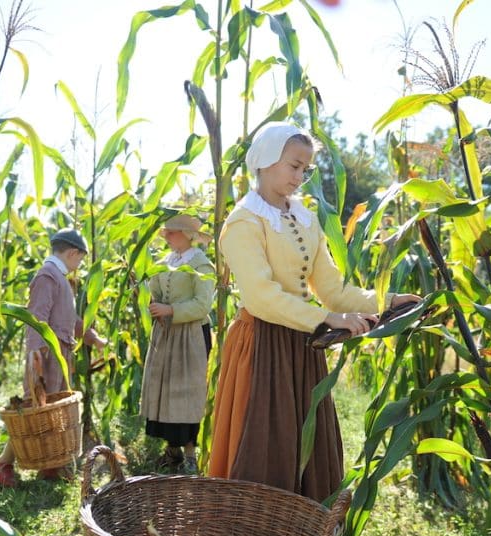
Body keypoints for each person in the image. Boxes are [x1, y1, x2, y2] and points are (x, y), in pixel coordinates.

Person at [207, 122, 420, 502]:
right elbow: (260, 296)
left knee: (303, 448)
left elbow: (335, 291)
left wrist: (387, 300)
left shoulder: (305, 218)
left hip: (302, 345)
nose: (300, 176)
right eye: (294, 166)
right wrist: (324, 319)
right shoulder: (244, 221)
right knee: (264, 445)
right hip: (262, 346)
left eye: (306, 169)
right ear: (267, 160)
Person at [0, 228, 107, 488]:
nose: (80, 265)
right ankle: (1, 465)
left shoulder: (61, 278)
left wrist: (93, 338)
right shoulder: (48, 276)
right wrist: (36, 355)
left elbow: (69, 320)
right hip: (47, 356)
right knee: (35, 410)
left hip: (59, 355)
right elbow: (36, 319)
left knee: (50, 410)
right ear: (73, 253)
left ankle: (50, 467)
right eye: (80, 259)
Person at [139, 214, 215, 473]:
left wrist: (170, 309)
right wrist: (154, 302)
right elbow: (156, 291)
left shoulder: (202, 266)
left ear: (187, 235)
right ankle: (172, 451)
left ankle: (191, 456)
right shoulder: (165, 262)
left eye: (172, 232)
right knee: (166, 391)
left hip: (190, 336)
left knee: (187, 393)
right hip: (167, 335)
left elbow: (203, 305)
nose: (167, 236)